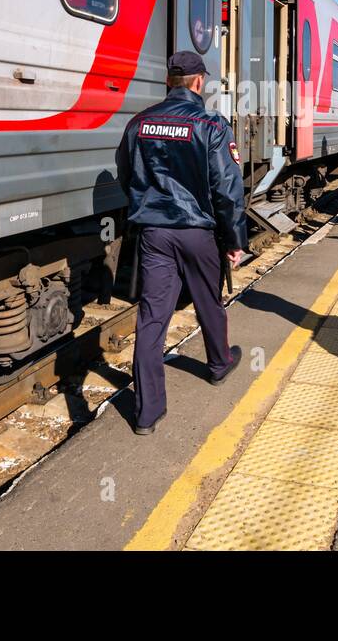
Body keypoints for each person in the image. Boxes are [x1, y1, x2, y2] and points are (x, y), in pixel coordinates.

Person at [116, 51, 246, 435]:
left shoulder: (139, 123)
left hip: (153, 232)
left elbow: (127, 175)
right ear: (198, 82)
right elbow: (227, 189)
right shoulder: (211, 124)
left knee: (151, 318)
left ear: (168, 81)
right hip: (197, 231)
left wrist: (149, 205)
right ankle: (219, 364)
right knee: (209, 300)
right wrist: (235, 238)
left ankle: (147, 413)